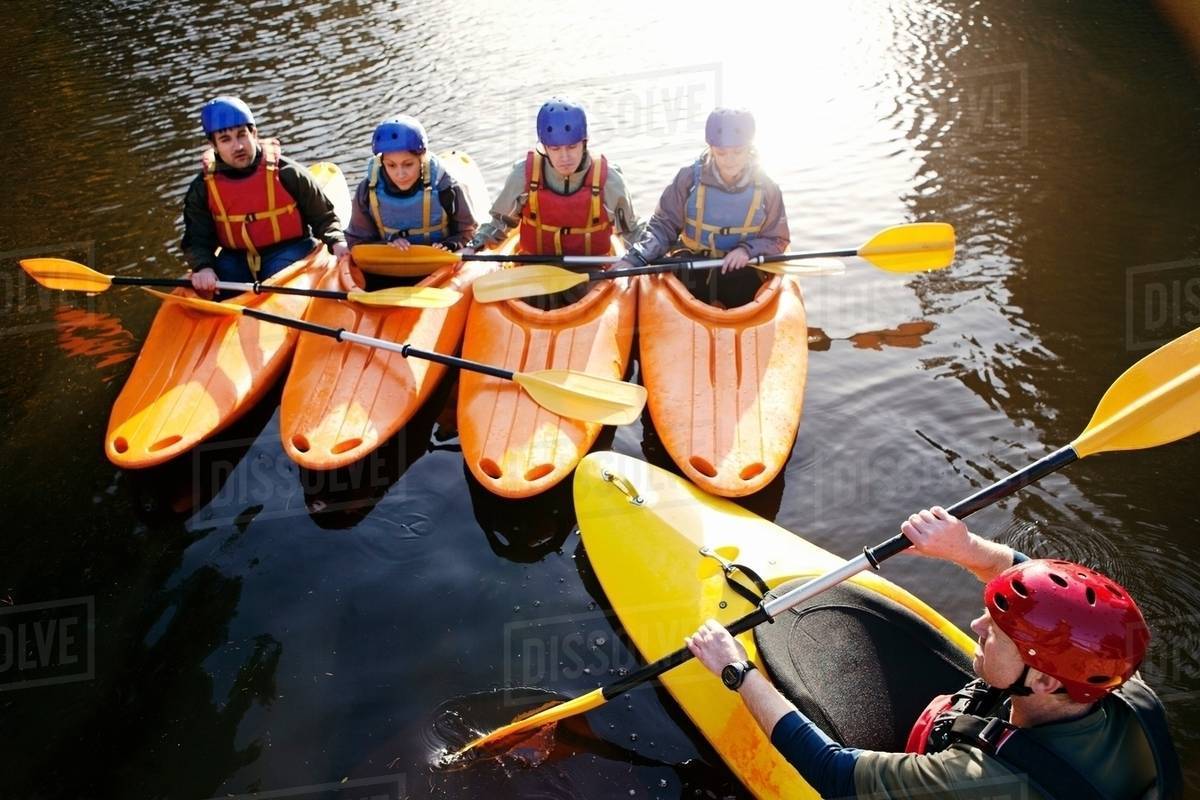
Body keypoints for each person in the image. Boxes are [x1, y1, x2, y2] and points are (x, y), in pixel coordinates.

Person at [686, 506, 1181, 799]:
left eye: (998, 633)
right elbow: (1044, 583)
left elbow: (831, 772)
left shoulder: (982, 779)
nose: (977, 625)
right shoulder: (1117, 686)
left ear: (1046, 681)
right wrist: (963, 548)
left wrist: (737, 671)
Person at [613, 107, 790, 308]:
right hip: (693, 263)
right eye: (721, 153)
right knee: (686, 284)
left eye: (737, 152)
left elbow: (778, 239)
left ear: (749, 147)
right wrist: (634, 258)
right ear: (711, 147)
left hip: (742, 266)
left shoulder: (767, 188)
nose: (729, 160)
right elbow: (662, 227)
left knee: (742, 285)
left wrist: (747, 250)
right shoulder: (688, 179)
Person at [182, 96, 348, 297]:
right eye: (226, 140)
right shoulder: (202, 188)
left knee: (277, 289)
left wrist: (337, 242)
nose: (238, 146)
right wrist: (203, 267)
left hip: (288, 251)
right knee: (212, 291)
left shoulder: (288, 173)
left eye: (242, 135)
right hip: (235, 259)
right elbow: (197, 238)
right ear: (214, 145)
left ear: (254, 133)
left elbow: (324, 218)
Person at [461, 97, 639, 261]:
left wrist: (642, 255)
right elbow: (500, 222)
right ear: (544, 147)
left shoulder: (609, 180)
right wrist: (474, 245)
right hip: (534, 265)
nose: (565, 157)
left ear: (585, 142)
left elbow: (631, 230)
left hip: (594, 267)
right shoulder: (523, 176)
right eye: (555, 149)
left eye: (572, 147)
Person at [342, 115, 478, 254]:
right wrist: (388, 243)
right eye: (391, 165)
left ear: (422, 158)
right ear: (382, 162)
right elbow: (357, 240)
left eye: (408, 164)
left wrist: (452, 245)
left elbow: (468, 232)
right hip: (390, 264)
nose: (400, 174)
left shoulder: (447, 186)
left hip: (440, 262)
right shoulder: (367, 190)